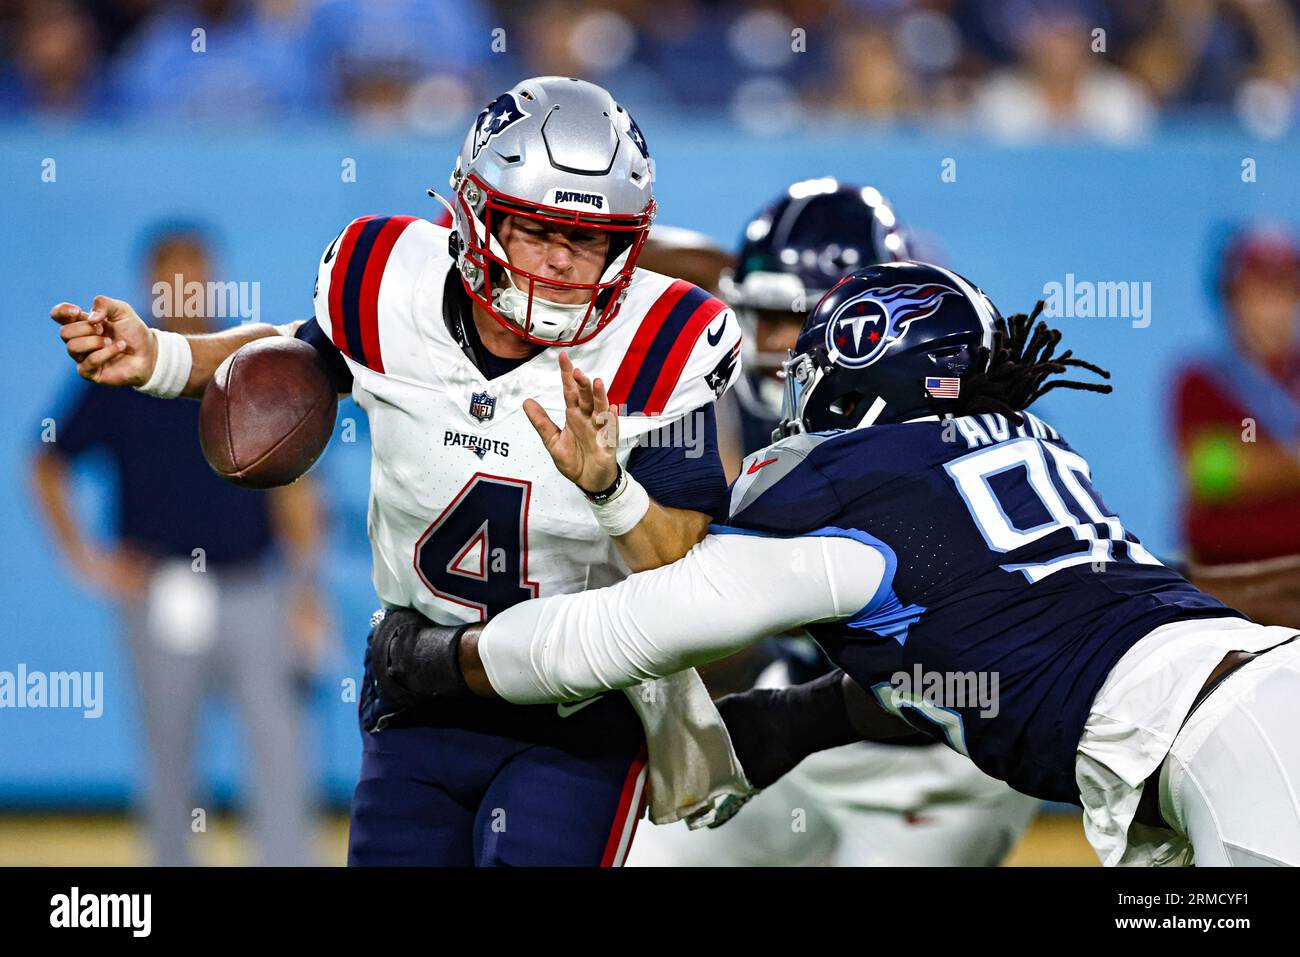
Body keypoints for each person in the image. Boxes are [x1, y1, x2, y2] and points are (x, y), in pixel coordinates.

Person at [385, 261, 1300, 867]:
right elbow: (975, 654)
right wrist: (793, 720)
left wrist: (444, 660)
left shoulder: (856, 489)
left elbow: (625, 629)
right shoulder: (1024, 447)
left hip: (1226, 753)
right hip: (1225, 735)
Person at [49, 77, 747, 867]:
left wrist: (609, 490)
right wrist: (167, 357)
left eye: (586, 240)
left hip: (578, 708)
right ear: (479, 213)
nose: (560, 263)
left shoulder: (663, 342)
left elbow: (686, 570)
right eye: (538, 231)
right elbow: (295, 354)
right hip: (422, 687)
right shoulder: (390, 289)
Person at [629, 183, 1039, 867]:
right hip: (801, 731)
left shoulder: (933, 418)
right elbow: (701, 272)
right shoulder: (768, 363)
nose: (765, 341)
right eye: (756, 313)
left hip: (933, 758)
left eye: (791, 318)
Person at [32, 224, 323, 866]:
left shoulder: (253, 366)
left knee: (280, 755)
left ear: (215, 277)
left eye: (195, 273)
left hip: (255, 588)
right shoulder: (118, 375)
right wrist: (86, 560)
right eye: (172, 275)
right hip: (159, 594)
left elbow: (297, 486)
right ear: (150, 284)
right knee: (168, 759)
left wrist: (305, 589)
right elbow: (47, 463)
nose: (185, 288)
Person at [1173, 225, 1300, 567]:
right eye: (1258, 291)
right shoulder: (1200, 380)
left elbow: (1237, 467)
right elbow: (1213, 472)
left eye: (1284, 288)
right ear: (1230, 299)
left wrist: (1257, 463)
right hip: (1229, 578)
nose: (1272, 305)